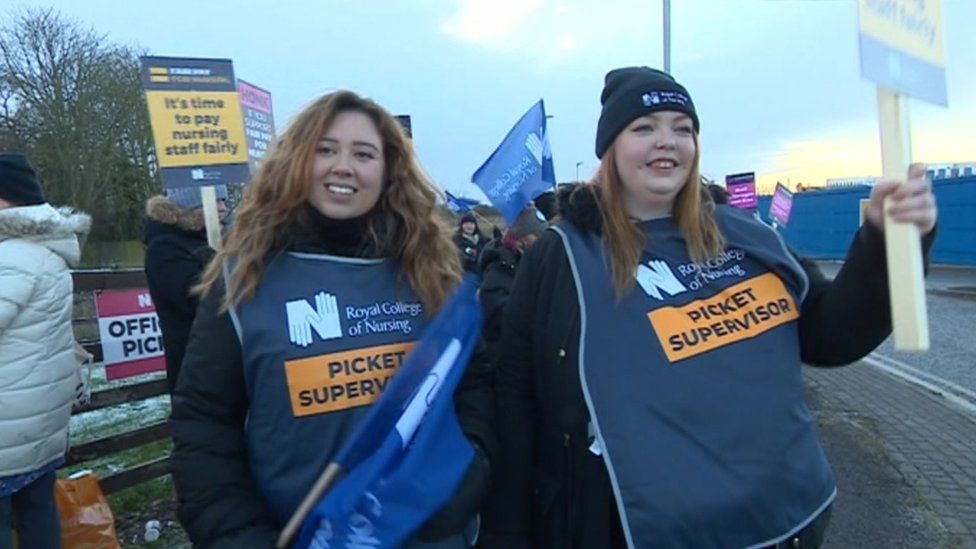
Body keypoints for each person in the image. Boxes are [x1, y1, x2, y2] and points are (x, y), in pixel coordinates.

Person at [491, 67, 937, 548]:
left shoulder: (744, 233)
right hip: (640, 529)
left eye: (682, 128)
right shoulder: (564, 254)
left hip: (784, 520)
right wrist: (506, 531)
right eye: (644, 128)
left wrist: (885, 242)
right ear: (610, 149)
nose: (667, 140)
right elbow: (516, 396)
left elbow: (831, 336)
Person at [169, 91, 493, 548]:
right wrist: (239, 534)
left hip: (430, 533)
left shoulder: (431, 272)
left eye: (363, 154)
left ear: (388, 171)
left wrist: (467, 477)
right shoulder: (243, 279)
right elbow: (204, 426)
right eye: (326, 149)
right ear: (298, 161)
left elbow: (474, 386)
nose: (344, 166)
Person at [0, 152, 91, 549]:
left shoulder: (13, 256)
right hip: (37, 417)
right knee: (38, 511)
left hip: (8, 424)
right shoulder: (44, 251)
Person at [143, 185, 229, 392]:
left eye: (223, 200)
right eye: (216, 201)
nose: (223, 208)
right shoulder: (164, 248)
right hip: (195, 367)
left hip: (224, 360)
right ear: (192, 204)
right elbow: (199, 298)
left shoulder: (213, 240)